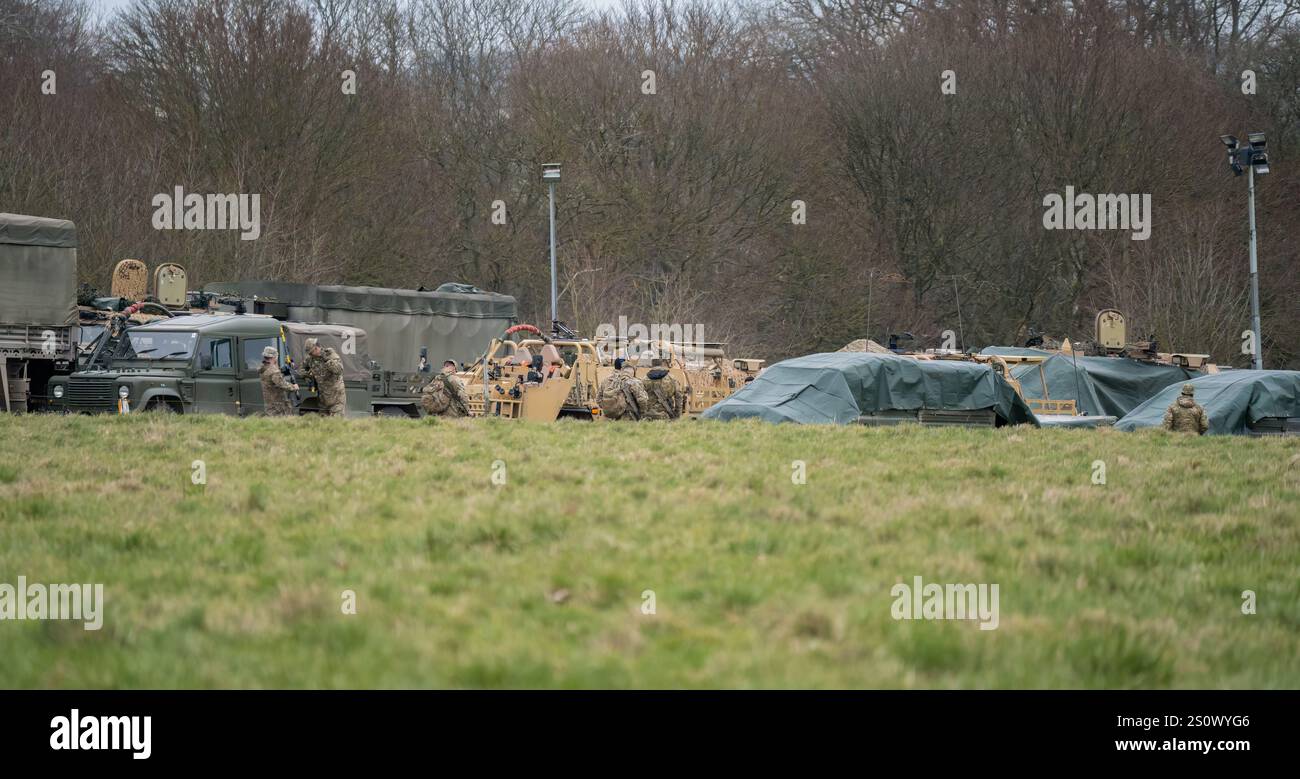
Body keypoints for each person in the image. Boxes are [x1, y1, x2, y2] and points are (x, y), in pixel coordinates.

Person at [299, 337, 347, 417]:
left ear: (316, 348)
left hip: (336, 397)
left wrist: (327, 360)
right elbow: (300, 369)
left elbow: (339, 370)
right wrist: (308, 375)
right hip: (323, 398)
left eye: (311, 352)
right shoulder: (310, 359)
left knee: (336, 423)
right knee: (323, 423)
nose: (310, 354)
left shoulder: (330, 355)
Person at [259, 345, 298, 416]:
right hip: (278, 406)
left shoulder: (263, 368)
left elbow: (272, 376)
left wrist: (282, 370)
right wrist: (294, 387)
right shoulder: (274, 371)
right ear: (274, 357)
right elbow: (282, 384)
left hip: (269, 404)